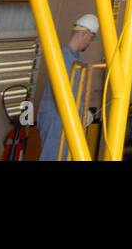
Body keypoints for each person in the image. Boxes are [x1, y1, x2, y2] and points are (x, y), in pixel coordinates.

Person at [36, 13, 99, 161]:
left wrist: (83, 112)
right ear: (83, 34)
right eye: (90, 38)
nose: (89, 43)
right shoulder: (63, 58)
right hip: (56, 120)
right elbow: (63, 96)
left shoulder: (77, 59)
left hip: (68, 120)